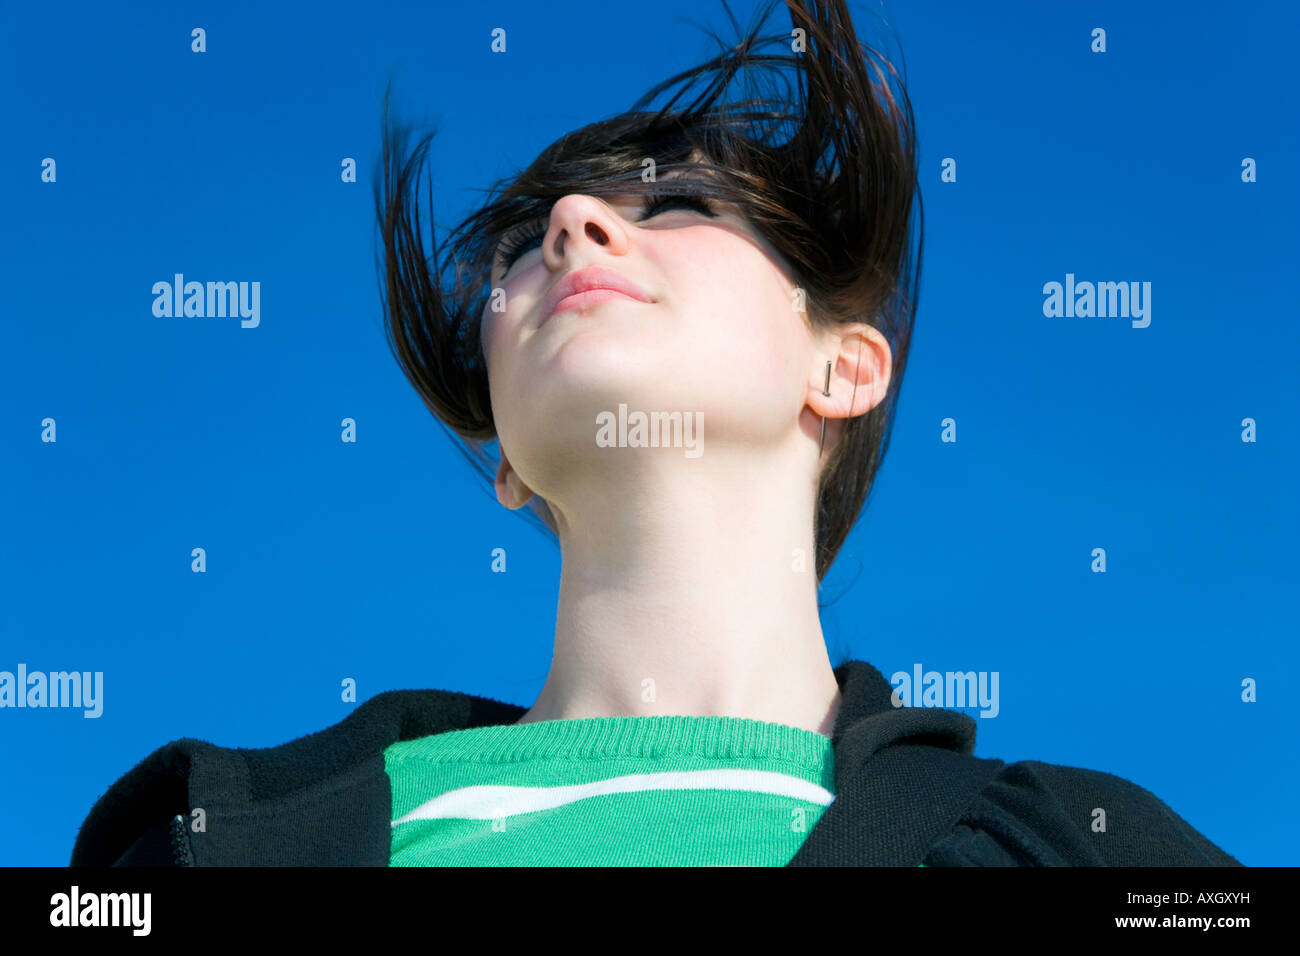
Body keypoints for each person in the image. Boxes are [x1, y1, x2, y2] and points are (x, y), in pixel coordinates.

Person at [70, 0, 1241, 867]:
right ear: (508, 466)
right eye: (527, 244)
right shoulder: (201, 845)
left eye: (676, 207)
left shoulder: (1090, 849)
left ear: (844, 363)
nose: (573, 226)